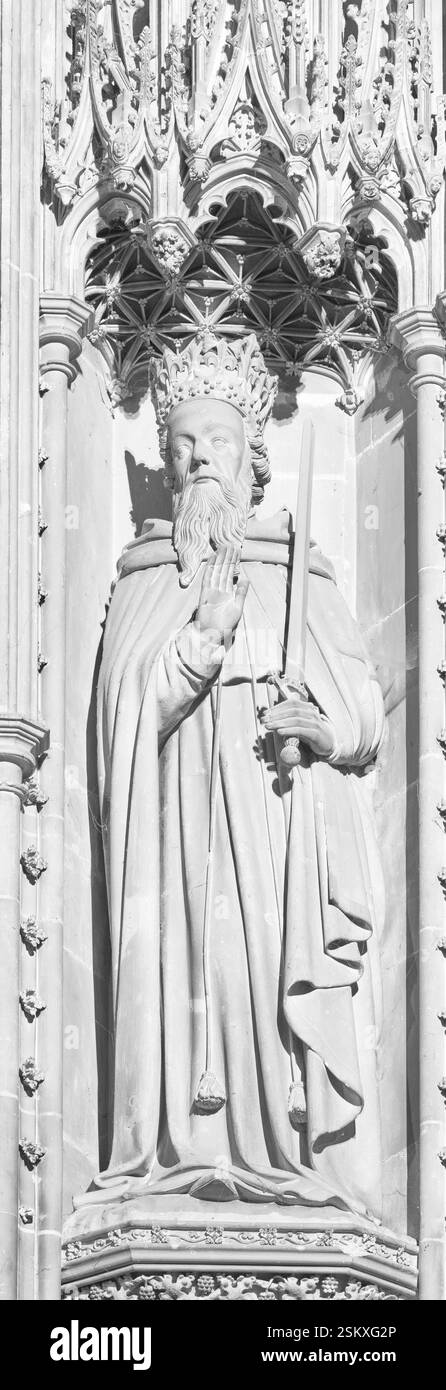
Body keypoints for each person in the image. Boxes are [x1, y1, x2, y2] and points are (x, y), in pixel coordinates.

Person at [91, 332, 385, 1217]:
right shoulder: (145, 574)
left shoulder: (303, 571)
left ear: (252, 458)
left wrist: (325, 727)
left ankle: (292, 1152)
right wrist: (202, 642)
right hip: (179, 824)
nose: (196, 459)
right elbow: (123, 717)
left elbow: (367, 705)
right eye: (181, 446)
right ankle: (181, 1150)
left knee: (266, 968)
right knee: (198, 968)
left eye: (215, 441)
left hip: (278, 819)